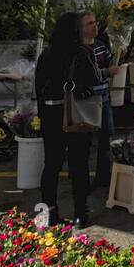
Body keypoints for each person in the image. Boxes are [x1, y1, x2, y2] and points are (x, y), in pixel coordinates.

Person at [34, 12, 103, 227]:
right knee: (79, 165)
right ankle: (80, 214)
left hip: (51, 116)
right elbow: (95, 83)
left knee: (51, 165)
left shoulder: (46, 55)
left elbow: (38, 89)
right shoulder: (81, 53)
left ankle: (49, 213)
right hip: (75, 118)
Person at [90, 17, 115, 189]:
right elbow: (85, 73)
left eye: (95, 23)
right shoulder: (78, 49)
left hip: (103, 97)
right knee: (84, 140)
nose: (94, 26)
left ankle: (103, 177)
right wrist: (107, 71)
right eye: (89, 23)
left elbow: (109, 61)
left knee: (106, 136)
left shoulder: (100, 45)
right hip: (85, 100)